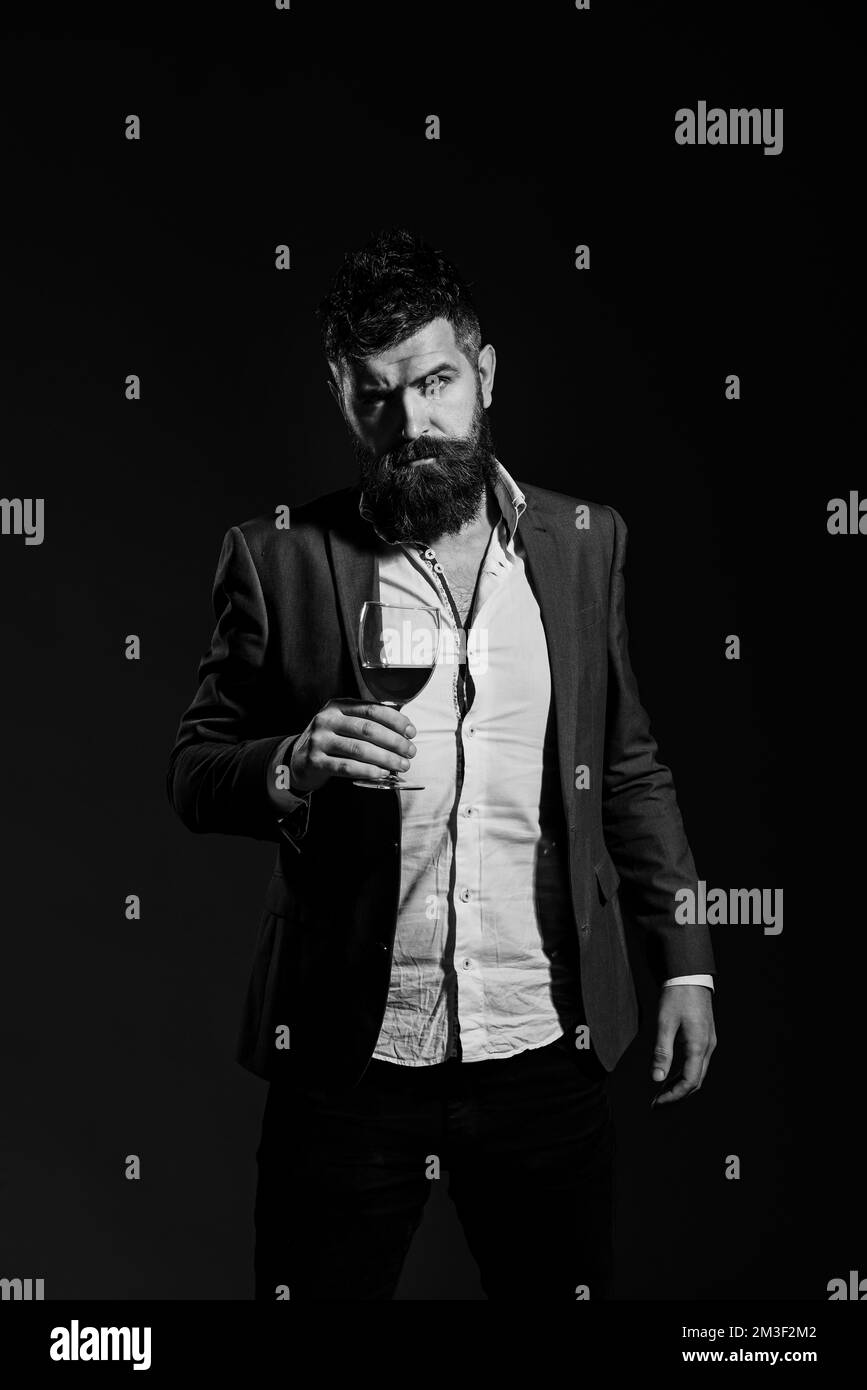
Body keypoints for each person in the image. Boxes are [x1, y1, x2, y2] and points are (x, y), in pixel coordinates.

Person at [166, 227, 717, 1301]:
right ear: (341, 395)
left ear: (484, 372)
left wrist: (685, 960)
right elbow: (193, 770)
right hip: (347, 1061)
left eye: (435, 382)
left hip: (545, 1048)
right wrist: (291, 758)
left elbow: (629, 762)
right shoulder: (278, 559)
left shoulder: (586, 542)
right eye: (376, 395)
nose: (411, 422)